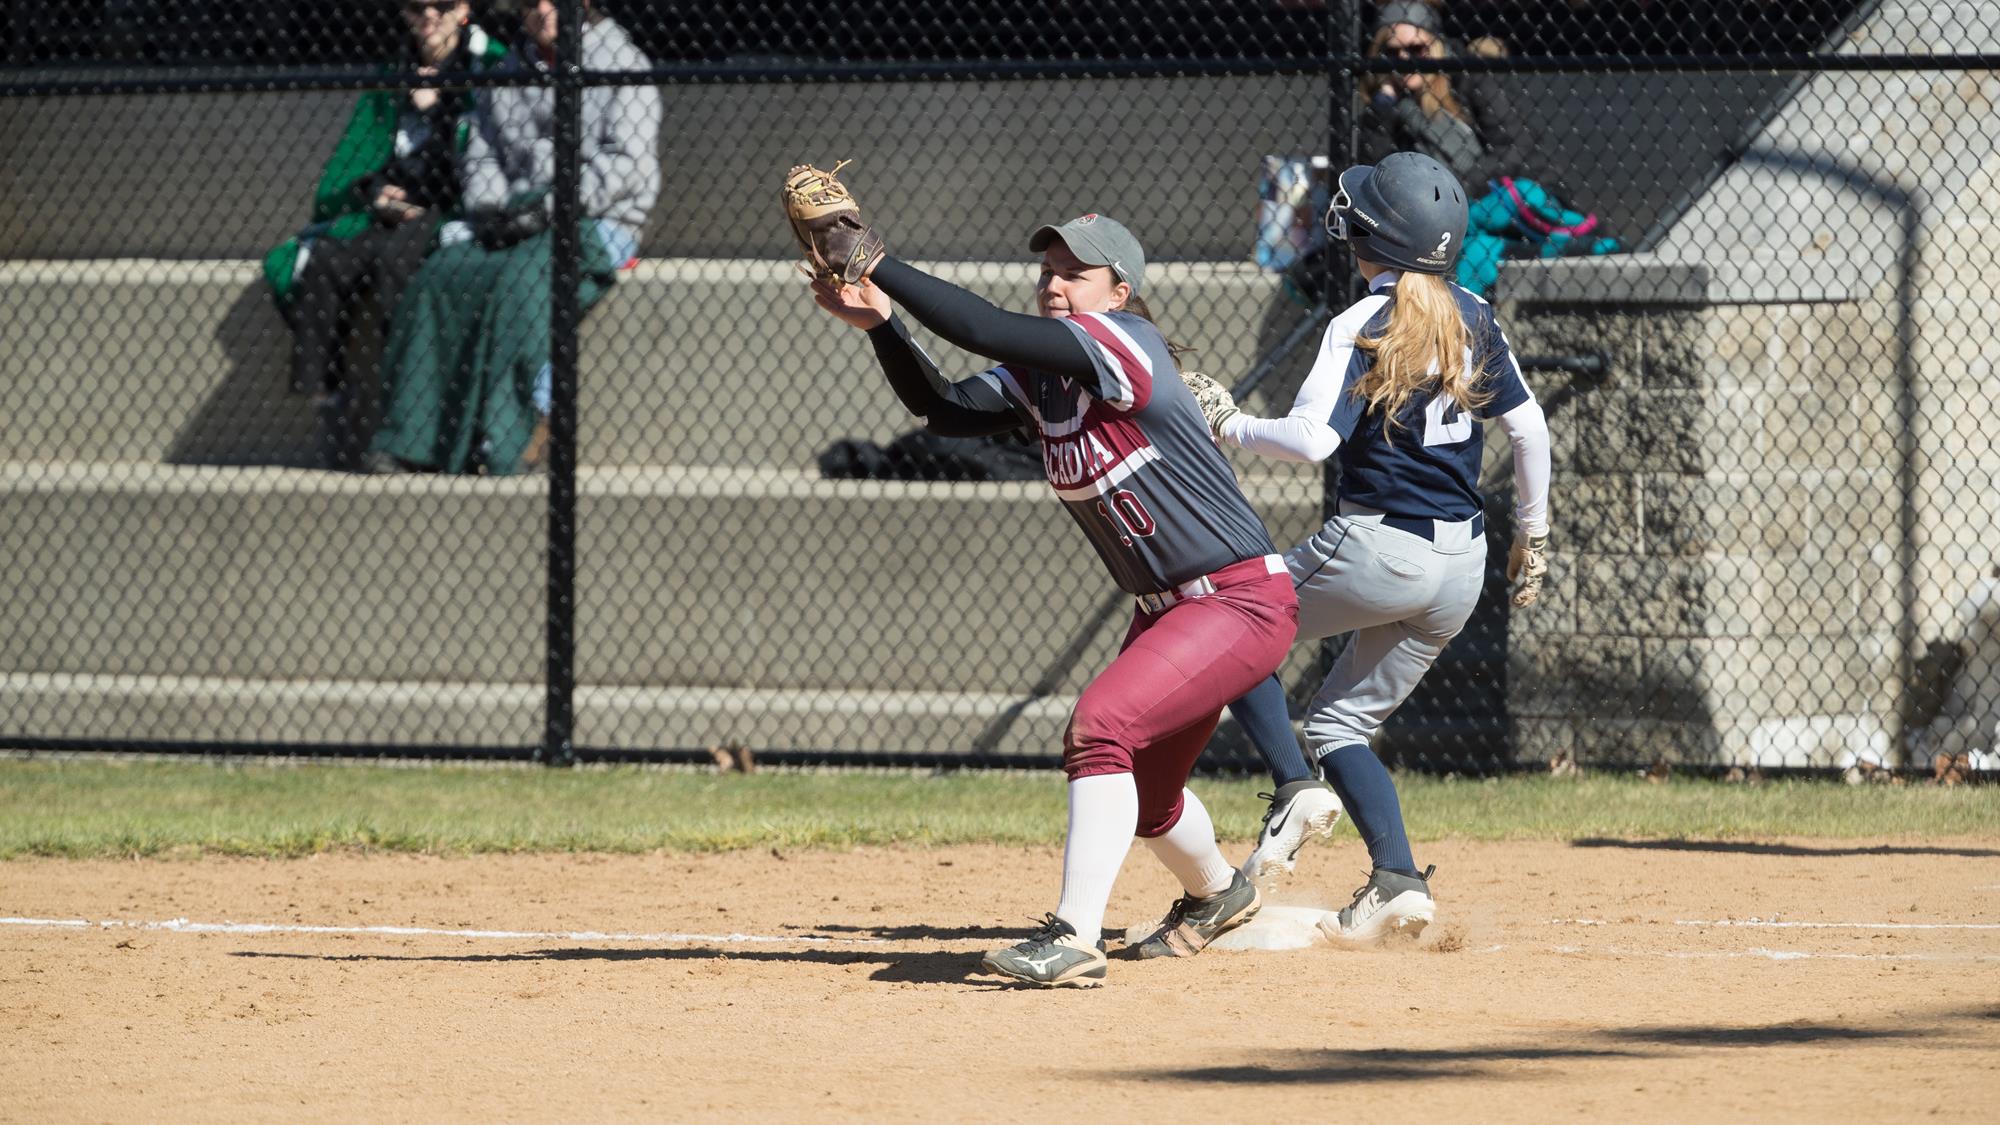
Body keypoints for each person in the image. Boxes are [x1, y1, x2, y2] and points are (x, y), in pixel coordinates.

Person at [808, 213, 1299, 987]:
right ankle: (1217, 894)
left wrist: (878, 260)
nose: (1055, 283)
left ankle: (1074, 936)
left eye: (1076, 271)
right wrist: (883, 324)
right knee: (1147, 795)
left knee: (1100, 726)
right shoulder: (1044, 378)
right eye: (1048, 271)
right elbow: (946, 407)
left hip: (1237, 599)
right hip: (1169, 609)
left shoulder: (1125, 342)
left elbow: (983, 326)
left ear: (1121, 292)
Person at [1184, 151, 1552, 944]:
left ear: (1386, 236)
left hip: (1376, 548)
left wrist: (1230, 425)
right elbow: (1527, 427)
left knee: (1230, 618)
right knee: (1341, 722)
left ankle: (1291, 791)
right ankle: (1396, 882)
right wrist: (1535, 527)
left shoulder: (1361, 320)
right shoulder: (1476, 311)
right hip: (1463, 565)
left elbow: (1315, 441)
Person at [365, 0, 660, 475]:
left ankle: (509, 438)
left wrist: (548, 207)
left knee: (520, 286)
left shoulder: (624, 63)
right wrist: (493, 209)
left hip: (597, 220)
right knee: (440, 275)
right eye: (528, 1)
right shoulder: (506, 69)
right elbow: (482, 152)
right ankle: (410, 439)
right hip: (512, 218)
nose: (541, 10)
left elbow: (627, 166)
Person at [262, 0, 507, 453]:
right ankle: (330, 401)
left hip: (447, 207)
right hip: (389, 209)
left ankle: (409, 419)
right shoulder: (394, 69)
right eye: (417, 7)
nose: (429, 16)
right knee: (324, 264)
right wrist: (376, 191)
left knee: (394, 265)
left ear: (465, 9)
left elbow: (483, 155)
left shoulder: (488, 64)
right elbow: (361, 156)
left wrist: (440, 106)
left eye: (443, 5)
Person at [1356, 1, 1616, 295]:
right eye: (1392, 53)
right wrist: (1381, 108)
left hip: (1487, 192)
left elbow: (1515, 144)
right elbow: (1376, 173)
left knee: (1518, 199)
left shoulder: (1467, 76)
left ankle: (1580, 236)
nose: (1404, 60)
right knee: (1477, 251)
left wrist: (1458, 189)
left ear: (1436, 47)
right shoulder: (1389, 110)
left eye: (1416, 49)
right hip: (1444, 218)